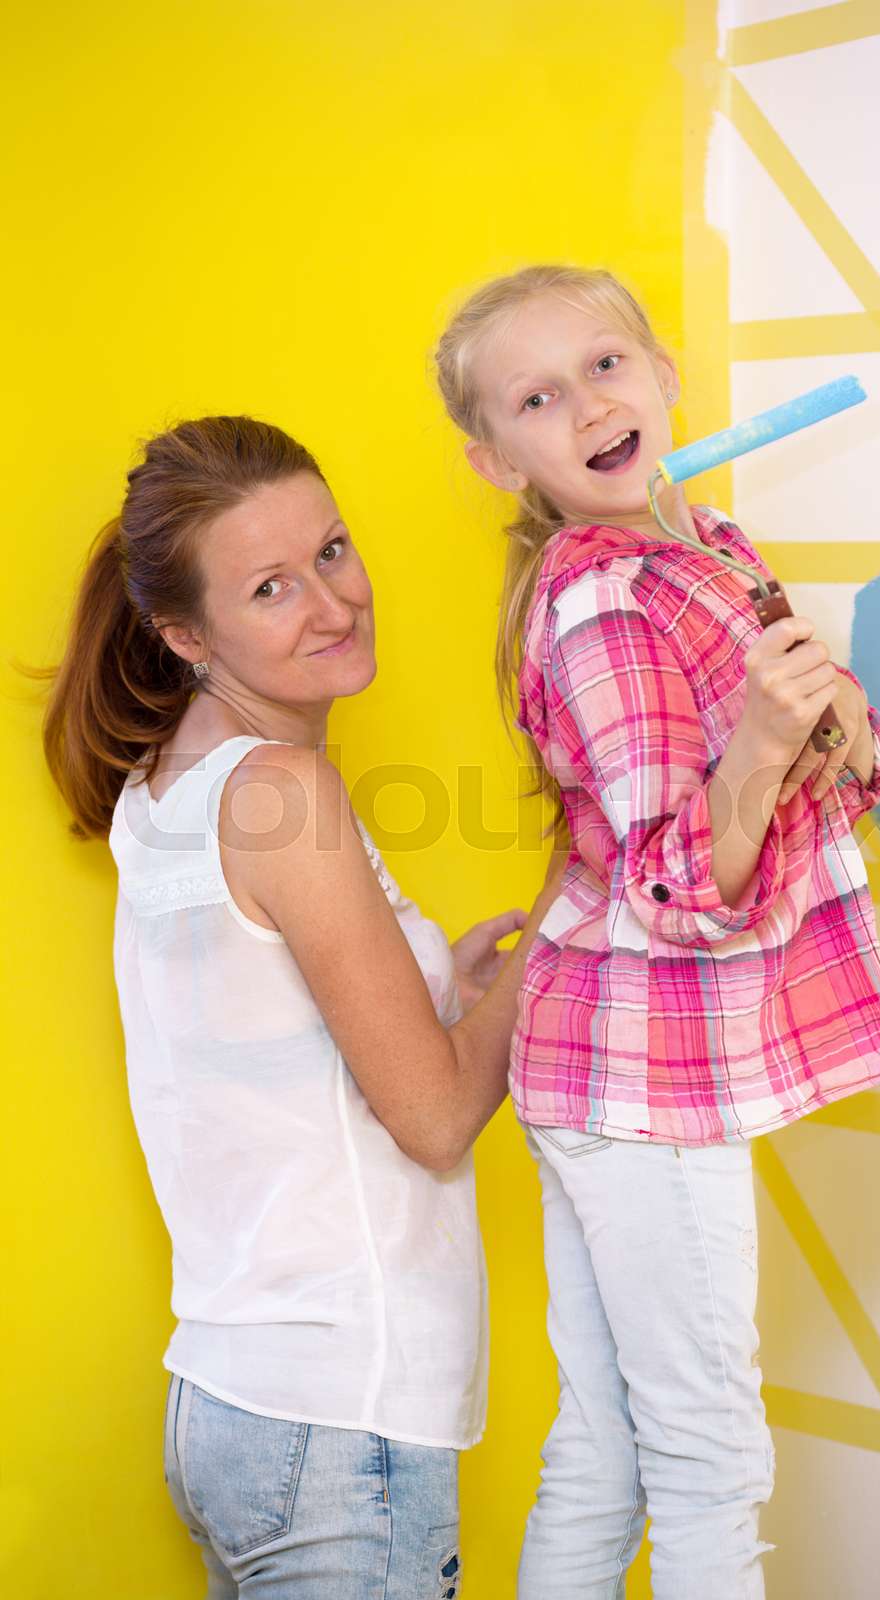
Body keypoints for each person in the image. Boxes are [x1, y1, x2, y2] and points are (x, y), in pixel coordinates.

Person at [434, 264, 880, 1598]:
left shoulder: (709, 551)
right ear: (494, 461)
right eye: (534, 397)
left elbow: (863, 764)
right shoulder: (602, 600)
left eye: (601, 364)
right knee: (709, 1456)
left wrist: (810, 723)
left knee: (609, 1442)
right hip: (641, 1070)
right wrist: (763, 739)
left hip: (613, 1061)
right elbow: (674, 887)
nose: (584, 403)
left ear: (664, 377)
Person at [41, 414, 562, 1599]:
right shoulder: (284, 792)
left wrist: (448, 987)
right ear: (184, 633)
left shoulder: (163, 785)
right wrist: (574, 902)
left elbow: (269, 1048)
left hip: (228, 1403)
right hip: (339, 1423)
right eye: (271, 587)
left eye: (331, 550)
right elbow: (431, 1119)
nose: (333, 604)